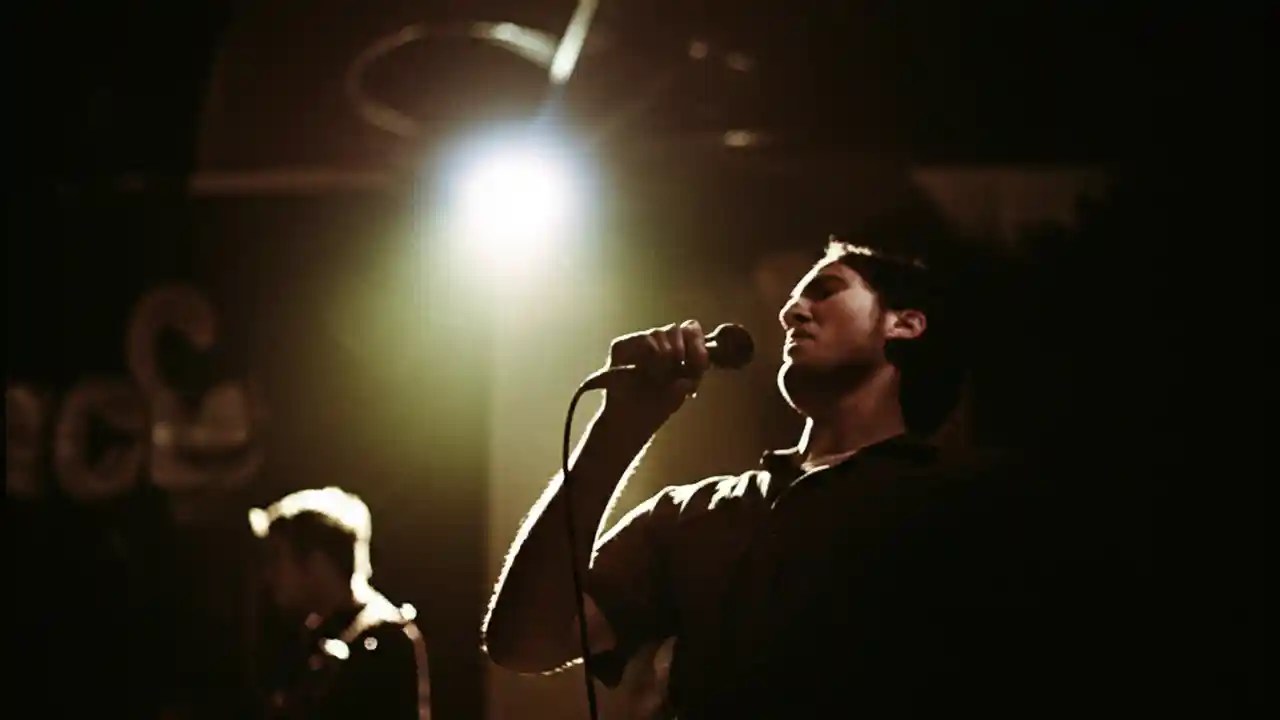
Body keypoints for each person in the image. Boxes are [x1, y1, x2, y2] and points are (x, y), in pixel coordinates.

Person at [483, 230, 1068, 718]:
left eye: (825, 289)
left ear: (905, 324)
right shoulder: (696, 512)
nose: (790, 310)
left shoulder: (967, 501)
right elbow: (525, 643)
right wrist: (617, 432)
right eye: (793, 299)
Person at [250, 487, 431, 720]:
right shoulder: (315, 635)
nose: (269, 576)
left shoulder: (385, 640)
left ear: (317, 562)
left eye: (277, 559)